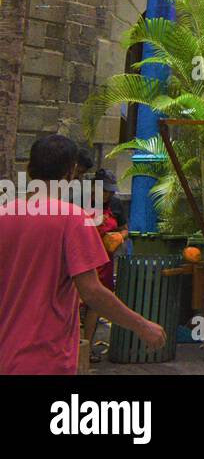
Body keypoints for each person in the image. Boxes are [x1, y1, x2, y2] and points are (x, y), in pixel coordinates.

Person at [0, 134, 165, 374]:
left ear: (29, 168)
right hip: (46, 359)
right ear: (70, 172)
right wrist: (142, 326)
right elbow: (92, 292)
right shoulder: (73, 219)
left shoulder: (4, 214)